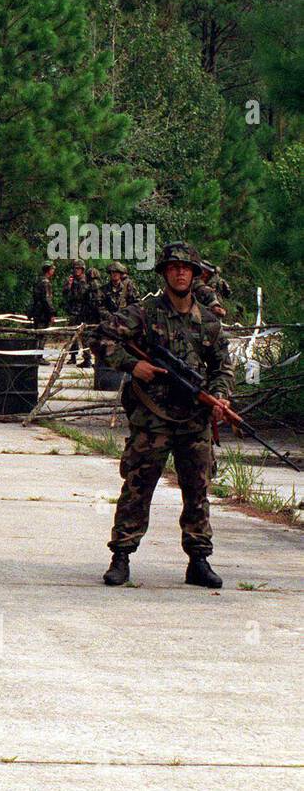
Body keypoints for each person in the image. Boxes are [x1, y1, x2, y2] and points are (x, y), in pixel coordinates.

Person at [95, 241, 234, 589]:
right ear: (165, 273)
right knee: (137, 489)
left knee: (198, 491)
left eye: (187, 268)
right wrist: (132, 365)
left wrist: (219, 396)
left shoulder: (209, 323)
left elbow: (223, 368)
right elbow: (103, 337)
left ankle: (199, 559)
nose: (180, 272)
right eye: (173, 267)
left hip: (194, 422)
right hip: (152, 421)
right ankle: (121, 556)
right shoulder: (144, 313)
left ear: (197, 275)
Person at [62, 258, 92, 366]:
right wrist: (68, 286)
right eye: (75, 269)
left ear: (82, 270)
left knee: (84, 336)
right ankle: (73, 356)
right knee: (72, 335)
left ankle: (87, 358)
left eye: (78, 269)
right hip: (73, 311)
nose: (76, 271)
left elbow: (81, 296)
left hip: (83, 312)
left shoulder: (85, 281)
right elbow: (65, 294)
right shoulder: (72, 280)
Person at [29, 260, 56, 362]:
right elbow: (47, 299)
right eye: (52, 269)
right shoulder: (46, 283)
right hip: (43, 314)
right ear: (49, 270)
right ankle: (39, 357)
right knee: (42, 335)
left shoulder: (38, 281)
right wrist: (52, 313)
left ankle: (36, 356)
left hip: (37, 312)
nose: (53, 271)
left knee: (38, 335)